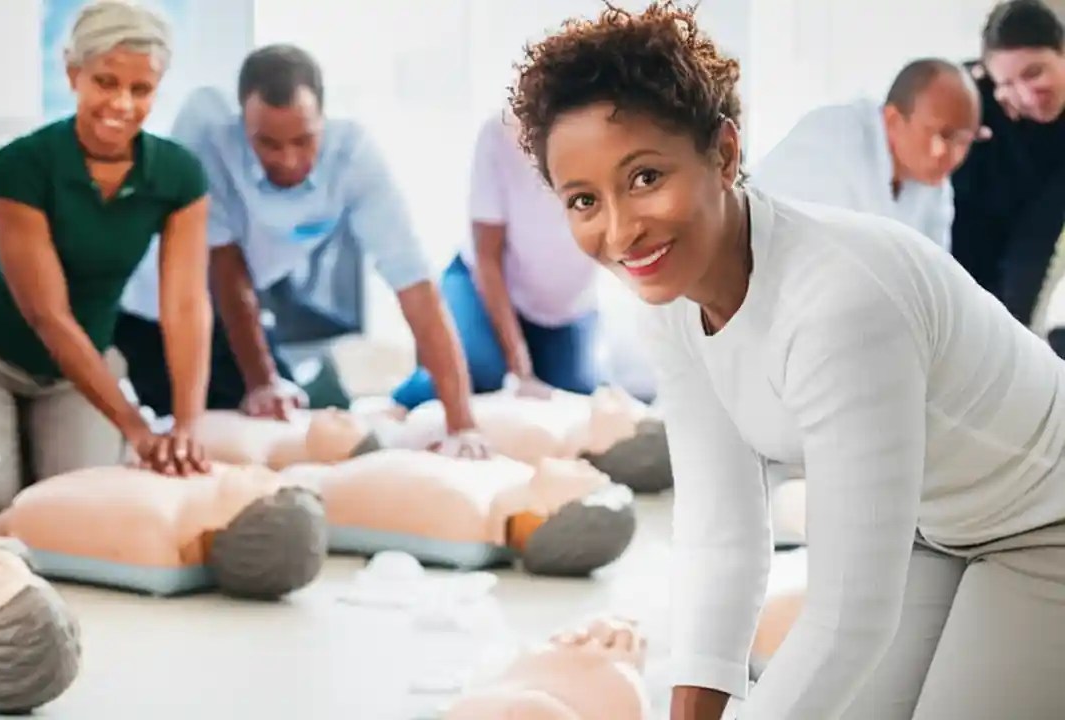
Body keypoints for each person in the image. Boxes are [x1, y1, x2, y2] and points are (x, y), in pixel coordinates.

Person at [511, 3, 1065, 718]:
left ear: (725, 153)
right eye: (584, 199)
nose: (620, 229)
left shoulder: (839, 302)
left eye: (645, 177)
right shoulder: (673, 304)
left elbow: (848, 620)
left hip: (1048, 520)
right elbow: (722, 539)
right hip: (935, 530)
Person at [0, 0, 213, 516]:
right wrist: (136, 427)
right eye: (105, 81)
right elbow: (47, 315)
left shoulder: (179, 175)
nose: (121, 103)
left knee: (78, 508)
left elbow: (186, 306)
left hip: (79, 371)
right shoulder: (20, 164)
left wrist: (186, 425)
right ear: (73, 73)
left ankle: (26, 452)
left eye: (140, 90)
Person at [118, 44, 486, 455]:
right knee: (205, 441)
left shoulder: (354, 157)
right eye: (269, 144)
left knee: (290, 421)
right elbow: (226, 268)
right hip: (156, 312)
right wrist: (261, 381)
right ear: (244, 124)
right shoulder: (210, 139)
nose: (289, 159)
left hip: (242, 305)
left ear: (323, 118)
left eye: (303, 140)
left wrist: (463, 425)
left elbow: (416, 287)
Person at [390, 109, 601, 408]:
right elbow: (487, 257)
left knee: (577, 396)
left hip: (563, 312)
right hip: (479, 284)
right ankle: (398, 403)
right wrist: (519, 366)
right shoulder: (500, 133)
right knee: (480, 376)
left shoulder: (606, 138)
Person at [751, 58, 985, 251]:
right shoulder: (833, 137)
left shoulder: (935, 186)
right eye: (942, 135)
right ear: (893, 119)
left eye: (963, 141)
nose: (951, 155)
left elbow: (936, 275)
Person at [951, 0, 1065, 335]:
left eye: (1034, 73)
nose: (1027, 95)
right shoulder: (970, 103)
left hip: (1030, 273)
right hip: (959, 269)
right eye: (1009, 84)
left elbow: (1037, 242)